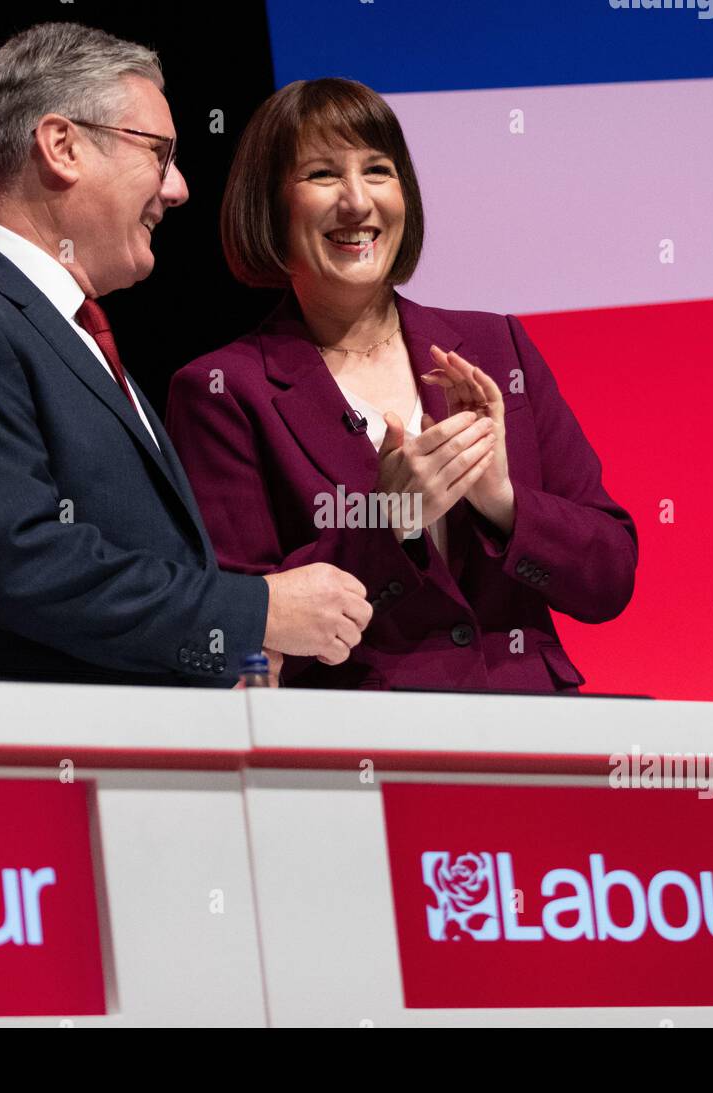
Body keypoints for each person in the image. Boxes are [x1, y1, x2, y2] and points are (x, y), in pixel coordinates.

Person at [0, 25, 369, 686]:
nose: (177, 189)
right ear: (63, 147)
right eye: (159, 153)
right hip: (21, 774)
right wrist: (256, 610)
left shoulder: (76, 337)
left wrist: (225, 657)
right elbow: (21, 562)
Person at [167, 78, 638, 693]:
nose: (358, 202)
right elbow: (240, 628)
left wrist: (502, 500)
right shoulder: (223, 390)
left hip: (532, 738)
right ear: (269, 206)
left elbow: (610, 576)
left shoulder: (500, 346)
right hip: (363, 752)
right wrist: (389, 519)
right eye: (322, 175)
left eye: (378, 170)